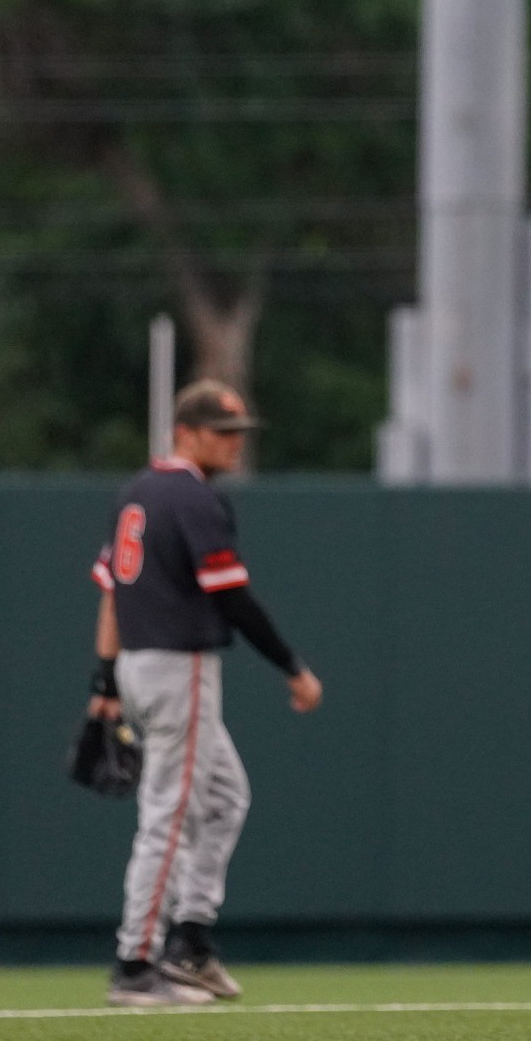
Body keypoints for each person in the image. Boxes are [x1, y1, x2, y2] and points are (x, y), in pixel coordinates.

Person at [86, 380, 324, 1007]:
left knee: (224, 798)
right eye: (222, 433)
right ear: (184, 432)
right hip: (177, 667)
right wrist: (292, 667)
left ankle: (190, 944)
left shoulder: (138, 491)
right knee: (168, 814)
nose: (233, 444)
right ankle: (135, 963)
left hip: (139, 666)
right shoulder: (190, 498)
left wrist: (105, 681)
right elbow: (232, 597)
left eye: (239, 434)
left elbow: (111, 590)